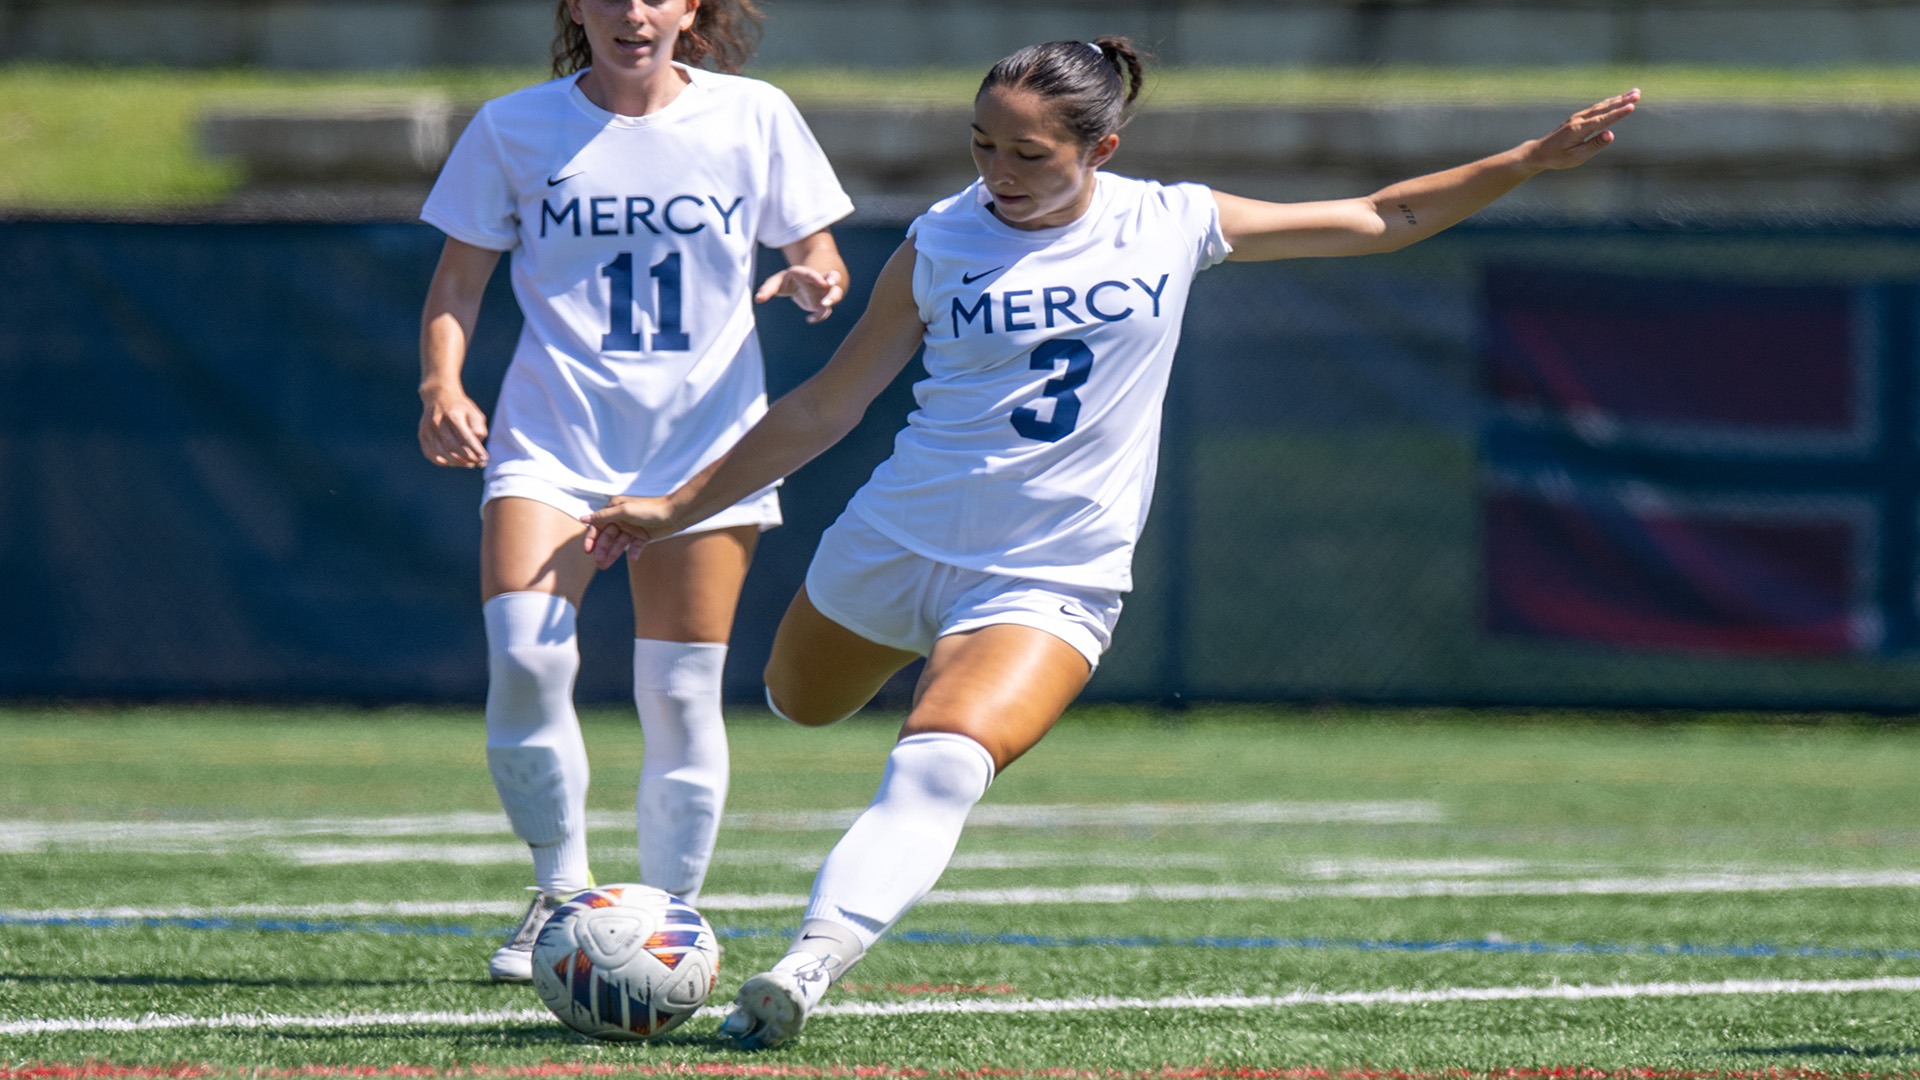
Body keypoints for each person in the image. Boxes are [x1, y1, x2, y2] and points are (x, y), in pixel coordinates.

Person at [583, 37, 1638, 1046]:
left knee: (941, 767)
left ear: (1102, 150)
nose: (999, 171)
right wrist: (680, 505)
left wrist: (1530, 158)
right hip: (896, 541)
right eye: (982, 144)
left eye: (1029, 153)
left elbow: (1381, 214)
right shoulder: (942, 240)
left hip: (1053, 574)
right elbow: (826, 408)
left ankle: (806, 966)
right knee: (798, 703)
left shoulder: (1171, 221)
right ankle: (833, 737)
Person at [415, 0, 854, 984]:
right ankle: (560, 894)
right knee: (525, 655)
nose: (631, 11)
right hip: (552, 440)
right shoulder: (515, 125)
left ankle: (670, 922)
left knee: (683, 690)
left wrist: (813, 281)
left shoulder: (755, 114)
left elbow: (820, 256)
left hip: (707, 453)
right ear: (577, 7)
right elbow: (456, 286)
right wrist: (441, 384)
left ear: (688, 7)